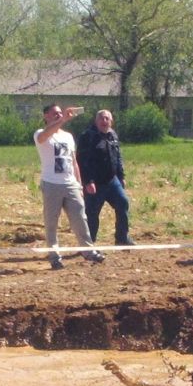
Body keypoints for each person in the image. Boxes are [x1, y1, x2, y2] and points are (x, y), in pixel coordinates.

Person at [34, 104, 104, 269]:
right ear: (46, 116)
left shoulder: (68, 136)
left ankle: (87, 251)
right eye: (55, 113)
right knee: (51, 222)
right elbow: (44, 136)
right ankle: (54, 256)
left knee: (80, 218)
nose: (59, 115)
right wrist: (63, 119)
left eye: (60, 113)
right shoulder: (40, 134)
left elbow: (73, 161)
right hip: (51, 184)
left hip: (70, 184)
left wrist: (78, 183)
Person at [76, 109, 133, 247]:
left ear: (111, 121)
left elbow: (118, 157)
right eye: (101, 118)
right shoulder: (88, 136)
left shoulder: (113, 135)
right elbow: (82, 160)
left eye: (107, 118)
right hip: (94, 183)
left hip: (112, 181)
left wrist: (121, 176)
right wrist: (88, 181)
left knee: (123, 203)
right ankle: (89, 244)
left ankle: (122, 238)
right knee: (92, 214)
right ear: (96, 121)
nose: (104, 121)